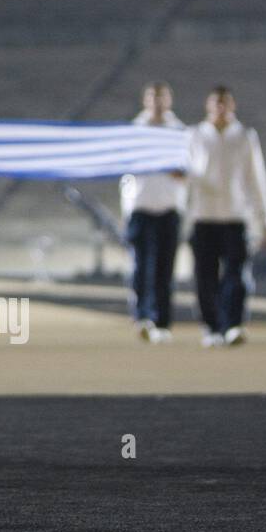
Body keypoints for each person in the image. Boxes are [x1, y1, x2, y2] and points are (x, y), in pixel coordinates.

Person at [186, 85, 266, 348]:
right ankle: (211, 326)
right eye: (216, 103)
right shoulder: (194, 136)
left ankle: (232, 325)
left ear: (232, 105)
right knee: (205, 276)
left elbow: (256, 178)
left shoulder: (245, 137)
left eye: (225, 103)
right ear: (208, 106)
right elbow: (187, 179)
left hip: (236, 217)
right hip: (203, 217)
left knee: (236, 275)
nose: (221, 108)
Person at [120, 82, 187, 343]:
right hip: (140, 207)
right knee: (140, 267)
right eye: (153, 97)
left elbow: (187, 171)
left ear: (169, 100)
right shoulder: (134, 131)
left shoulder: (180, 132)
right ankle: (142, 317)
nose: (158, 102)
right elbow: (125, 167)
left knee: (164, 269)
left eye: (162, 97)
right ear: (146, 100)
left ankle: (162, 321)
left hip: (169, 208)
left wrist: (175, 170)